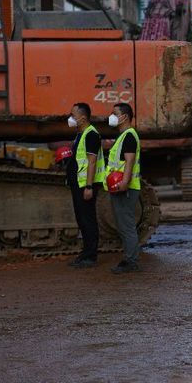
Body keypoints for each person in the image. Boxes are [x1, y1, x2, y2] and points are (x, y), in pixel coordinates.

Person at [66, 102, 105, 268]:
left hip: (85, 185)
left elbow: (92, 161)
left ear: (82, 118)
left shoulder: (91, 134)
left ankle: (91, 256)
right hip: (78, 184)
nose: (71, 118)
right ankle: (85, 252)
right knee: (81, 219)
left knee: (88, 219)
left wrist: (89, 186)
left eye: (73, 115)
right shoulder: (80, 134)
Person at [106, 103, 143, 274]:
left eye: (115, 113)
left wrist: (125, 182)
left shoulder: (128, 136)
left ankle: (131, 261)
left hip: (125, 187)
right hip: (119, 186)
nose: (111, 116)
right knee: (123, 224)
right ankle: (129, 259)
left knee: (127, 225)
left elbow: (129, 161)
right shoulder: (123, 136)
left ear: (125, 117)